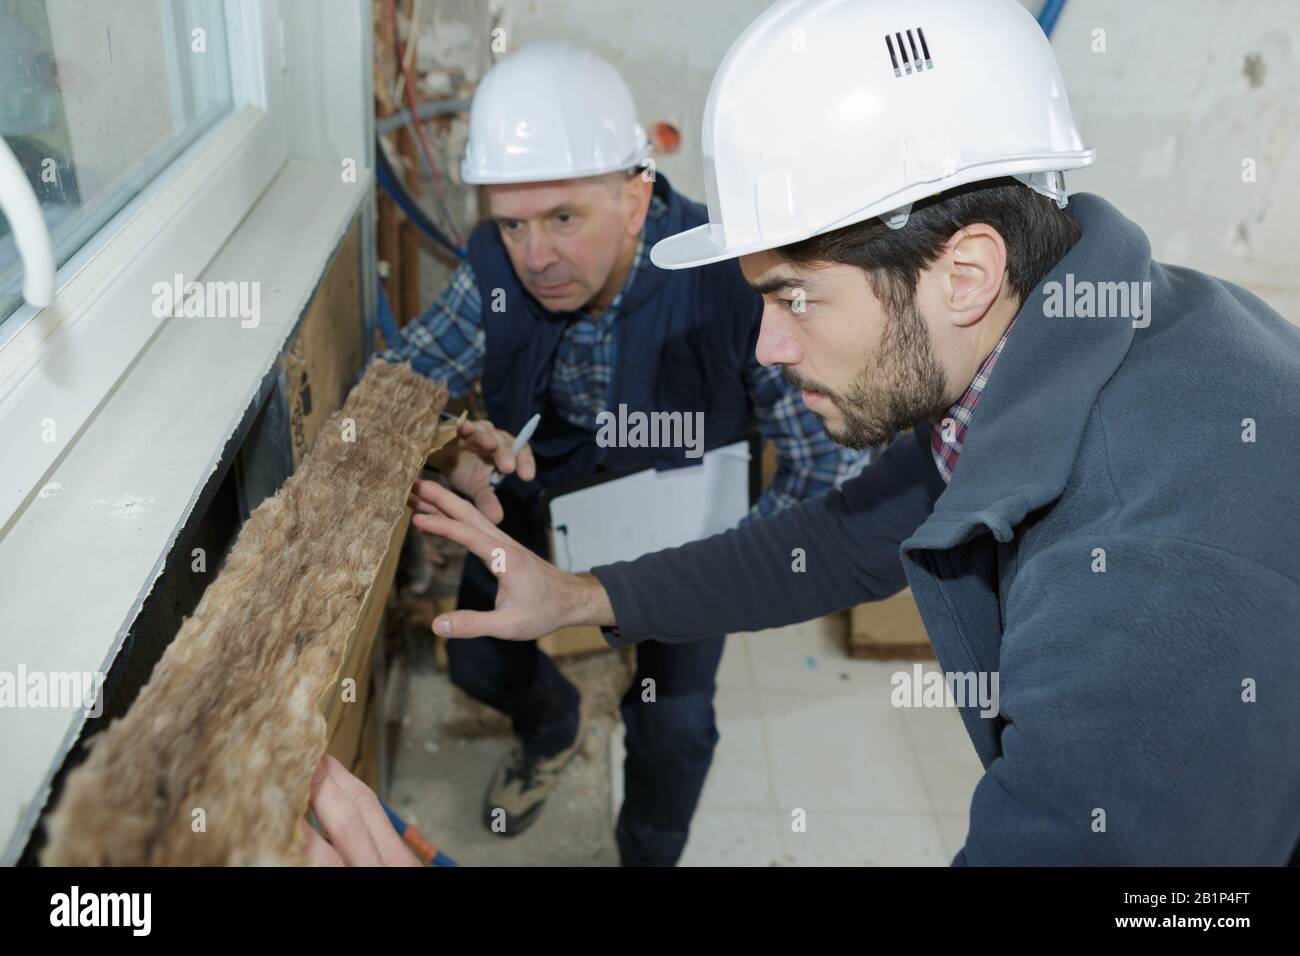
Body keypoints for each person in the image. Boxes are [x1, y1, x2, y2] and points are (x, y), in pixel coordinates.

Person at [410, 0, 1300, 865]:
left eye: (794, 295)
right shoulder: (1064, 345)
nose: (767, 343)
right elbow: (844, 536)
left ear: (966, 273)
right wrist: (585, 597)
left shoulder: (1141, 570)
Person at [381, 40, 869, 866]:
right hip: (547, 502)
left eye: (565, 219)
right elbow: (395, 390)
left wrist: (727, 567)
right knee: (473, 658)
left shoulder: (732, 277)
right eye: (513, 223)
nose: (535, 256)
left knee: (673, 729)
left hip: (688, 533)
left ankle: (644, 857)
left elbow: (829, 471)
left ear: (637, 200)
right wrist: (444, 453)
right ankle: (552, 725)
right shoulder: (496, 264)